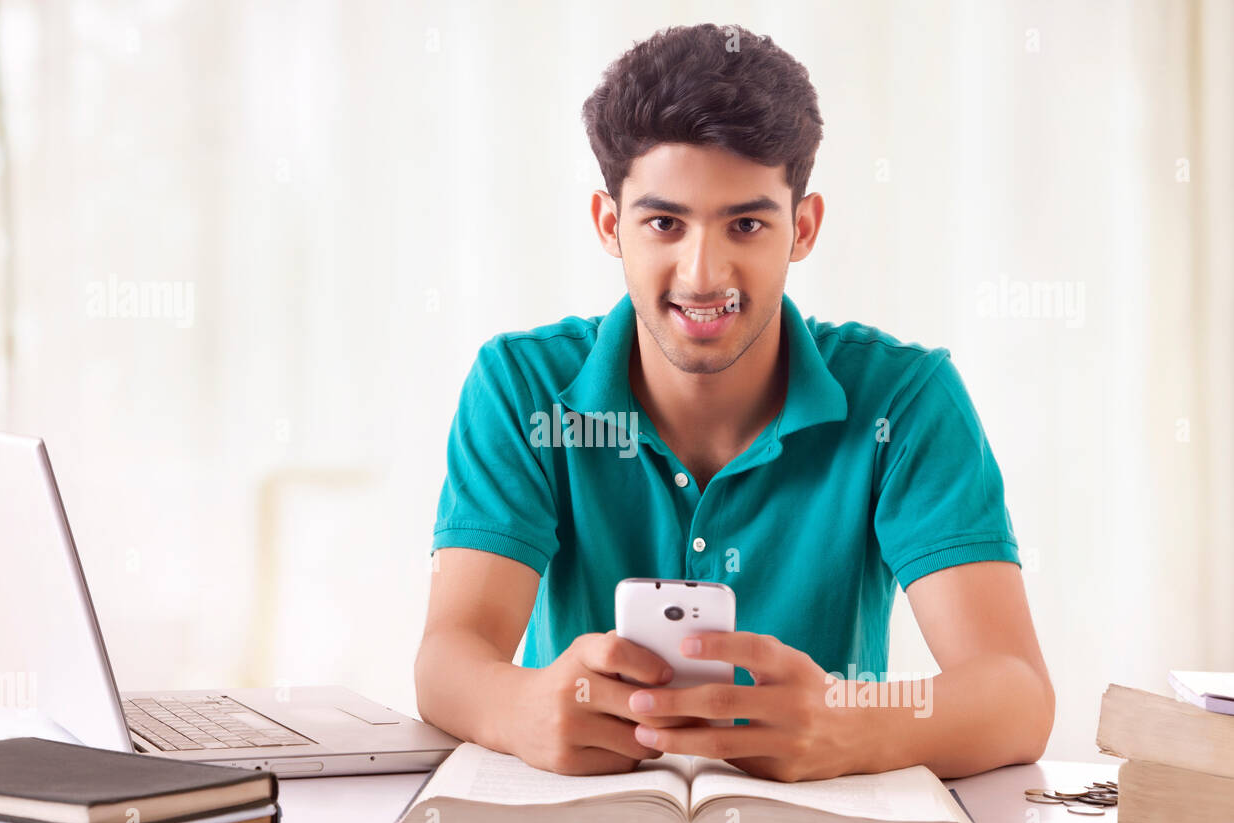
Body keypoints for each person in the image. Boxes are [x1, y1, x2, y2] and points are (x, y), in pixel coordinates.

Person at [415, 22, 1054, 782]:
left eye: (746, 224)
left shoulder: (905, 399)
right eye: (664, 223)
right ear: (610, 225)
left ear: (803, 228)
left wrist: (850, 726)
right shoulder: (522, 387)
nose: (702, 272)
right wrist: (520, 708)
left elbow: (1015, 696)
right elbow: (450, 661)